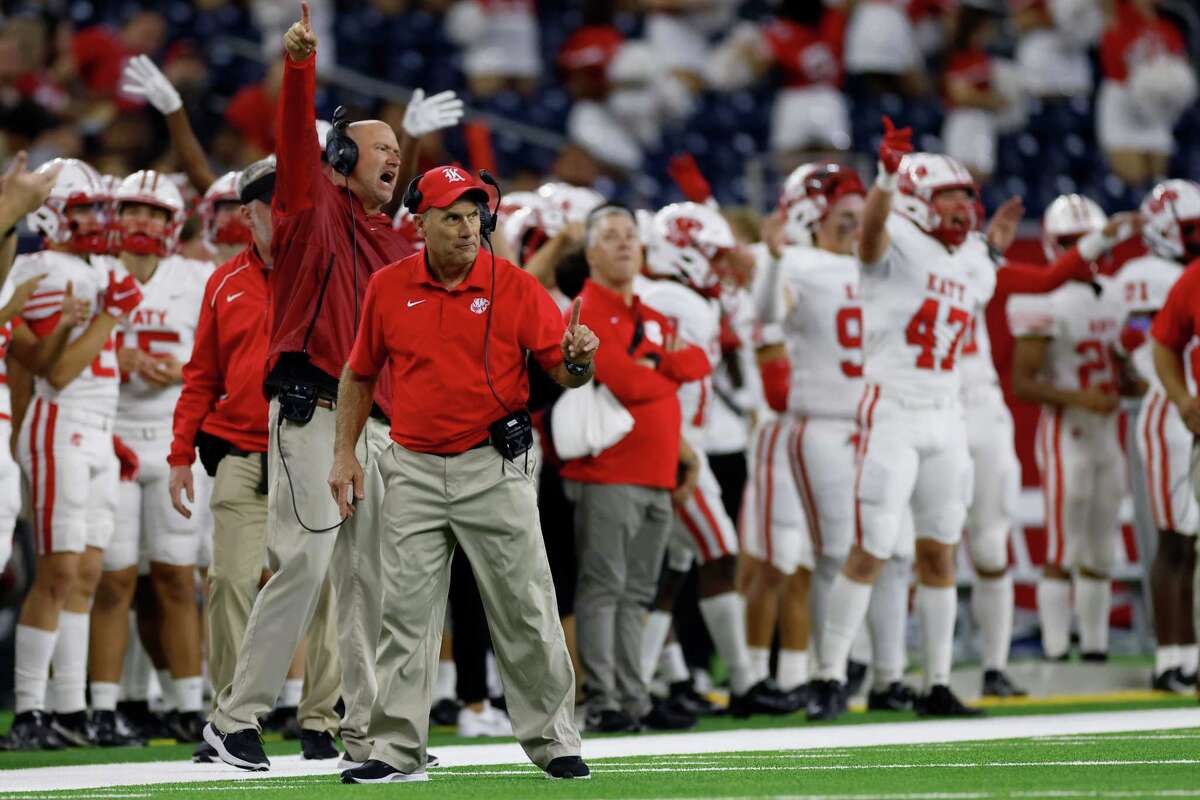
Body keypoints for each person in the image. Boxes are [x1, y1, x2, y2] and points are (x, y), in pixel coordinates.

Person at [202, 2, 461, 772]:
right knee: (309, 563)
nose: (395, 162)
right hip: (310, 411)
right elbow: (294, 142)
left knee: (367, 583)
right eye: (378, 151)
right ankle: (233, 717)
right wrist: (299, 70)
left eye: (397, 153)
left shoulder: (389, 240)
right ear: (339, 161)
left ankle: (367, 733)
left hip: (369, 427)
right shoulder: (309, 207)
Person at [329, 165, 595, 783]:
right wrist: (344, 452)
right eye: (451, 216)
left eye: (475, 216)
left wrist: (579, 361)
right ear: (420, 224)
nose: (467, 228)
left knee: (527, 605)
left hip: (494, 466)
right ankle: (396, 751)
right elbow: (360, 373)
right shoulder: (388, 287)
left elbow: (563, 370)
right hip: (413, 466)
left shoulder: (517, 285)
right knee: (405, 615)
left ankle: (556, 740)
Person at [637, 201, 797, 719]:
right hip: (674, 447)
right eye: (713, 255)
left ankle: (638, 686)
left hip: (685, 443)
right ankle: (745, 682)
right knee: (720, 551)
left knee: (675, 568)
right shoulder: (668, 297)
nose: (723, 266)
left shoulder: (686, 298)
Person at [4, 159, 143, 749]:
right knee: (58, 571)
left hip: (98, 428)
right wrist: (106, 315)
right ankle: (32, 707)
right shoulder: (33, 266)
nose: (97, 220)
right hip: (58, 422)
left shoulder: (101, 265)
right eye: (85, 207)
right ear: (54, 211)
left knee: (87, 573)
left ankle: (70, 706)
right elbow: (50, 370)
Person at [559, 205, 710, 733]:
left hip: (655, 471)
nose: (625, 244)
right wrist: (660, 367)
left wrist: (657, 363)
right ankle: (604, 698)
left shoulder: (649, 313)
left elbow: (698, 363)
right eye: (612, 236)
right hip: (608, 469)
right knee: (605, 586)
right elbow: (627, 380)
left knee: (638, 591)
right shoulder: (586, 309)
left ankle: (632, 694)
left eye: (631, 236)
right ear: (591, 252)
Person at [1008, 195, 1134, 662]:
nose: (1083, 252)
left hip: (1105, 434)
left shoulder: (1117, 295)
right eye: (1072, 243)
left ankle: (1097, 647)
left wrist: (1131, 377)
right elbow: (1024, 382)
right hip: (1068, 434)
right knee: (1062, 546)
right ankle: (1057, 651)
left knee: (1102, 548)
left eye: (1089, 242)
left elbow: (1124, 367)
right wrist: (1083, 398)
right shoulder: (1042, 299)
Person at [1119, 180, 1200, 689]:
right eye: (1189, 230)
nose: (1195, 239)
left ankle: (1184, 655)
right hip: (1170, 411)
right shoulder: (1156, 275)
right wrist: (1179, 396)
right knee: (1176, 540)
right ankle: (1172, 658)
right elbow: (1136, 345)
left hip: (1178, 409)